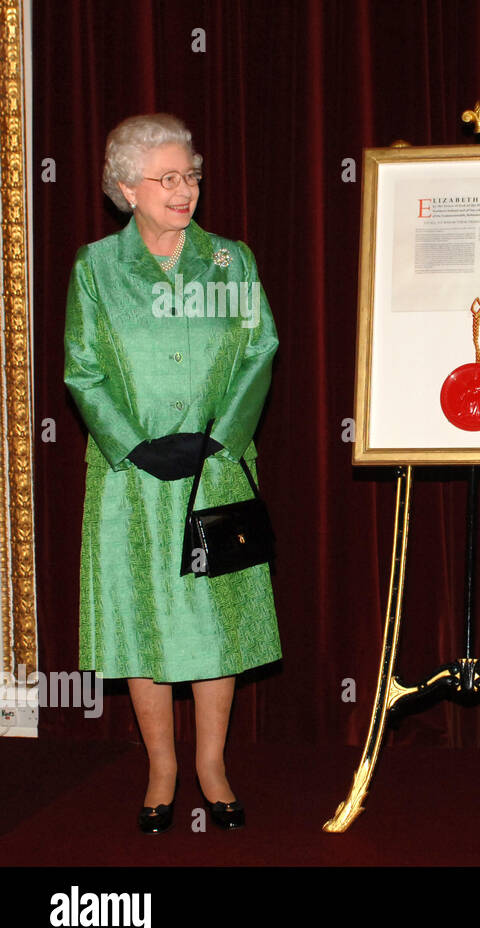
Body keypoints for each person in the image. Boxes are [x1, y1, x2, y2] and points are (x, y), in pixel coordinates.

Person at [64, 113, 280, 833]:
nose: (184, 189)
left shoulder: (229, 261)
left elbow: (260, 347)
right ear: (126, 187)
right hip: (132, 479)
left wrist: (224, 438)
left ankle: (212, 766)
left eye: (190, 174)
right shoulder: (95, 269)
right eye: (167, 179)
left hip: (214, 469)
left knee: (217, 623)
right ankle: (161, 768)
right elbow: (82, 369)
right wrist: (131, 443)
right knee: (142, 621)